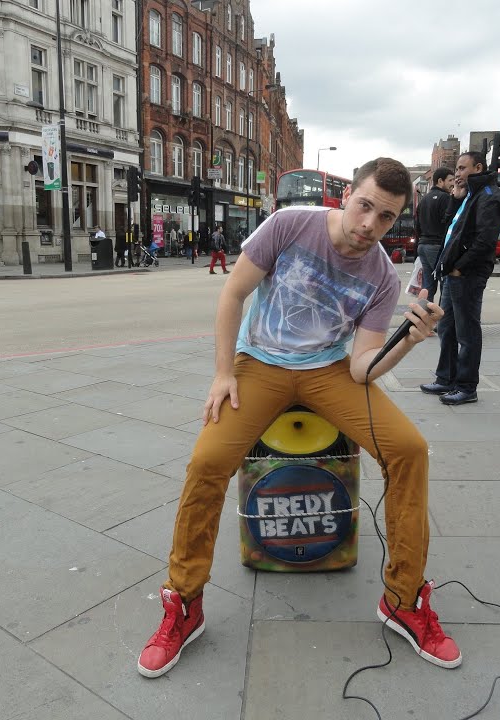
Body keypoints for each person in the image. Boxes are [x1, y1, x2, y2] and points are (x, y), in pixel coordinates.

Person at [136, 157, 455, 679]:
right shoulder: (290, 225)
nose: (369, 225)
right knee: (207, 463)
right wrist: (223, 373)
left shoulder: (380, 276)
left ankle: (404, 598)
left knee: (409, 449)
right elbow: (234, 293)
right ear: (346, 194)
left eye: (386, 218)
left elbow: (362, 366)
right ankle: (185, 603)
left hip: (330, 371)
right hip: (259, 362)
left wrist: (408, 340)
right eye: (365, 206)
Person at [420, 150, 500, 406]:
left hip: (467, 274)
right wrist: (455, 200)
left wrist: (460, 267)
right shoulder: (468, 196)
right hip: (452, 272)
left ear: (478, 168)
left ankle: (467, 386)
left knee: (467, 332)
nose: (457, 174)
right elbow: (449, 228)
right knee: (446, 327)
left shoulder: (489, 197)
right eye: (456, 169)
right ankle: (446, 378)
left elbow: (485, 241)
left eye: (461, 168)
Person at [414, 167, 454, 301]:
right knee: (446, 285)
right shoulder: (446, 198)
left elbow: (417, 225)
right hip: (437, 246)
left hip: (423, 246)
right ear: (440, 181)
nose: (453, 183)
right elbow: (449, 223)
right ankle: (444, 319)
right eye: (450, 180)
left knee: (428, 286)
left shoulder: (423, 200)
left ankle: (424, 315)